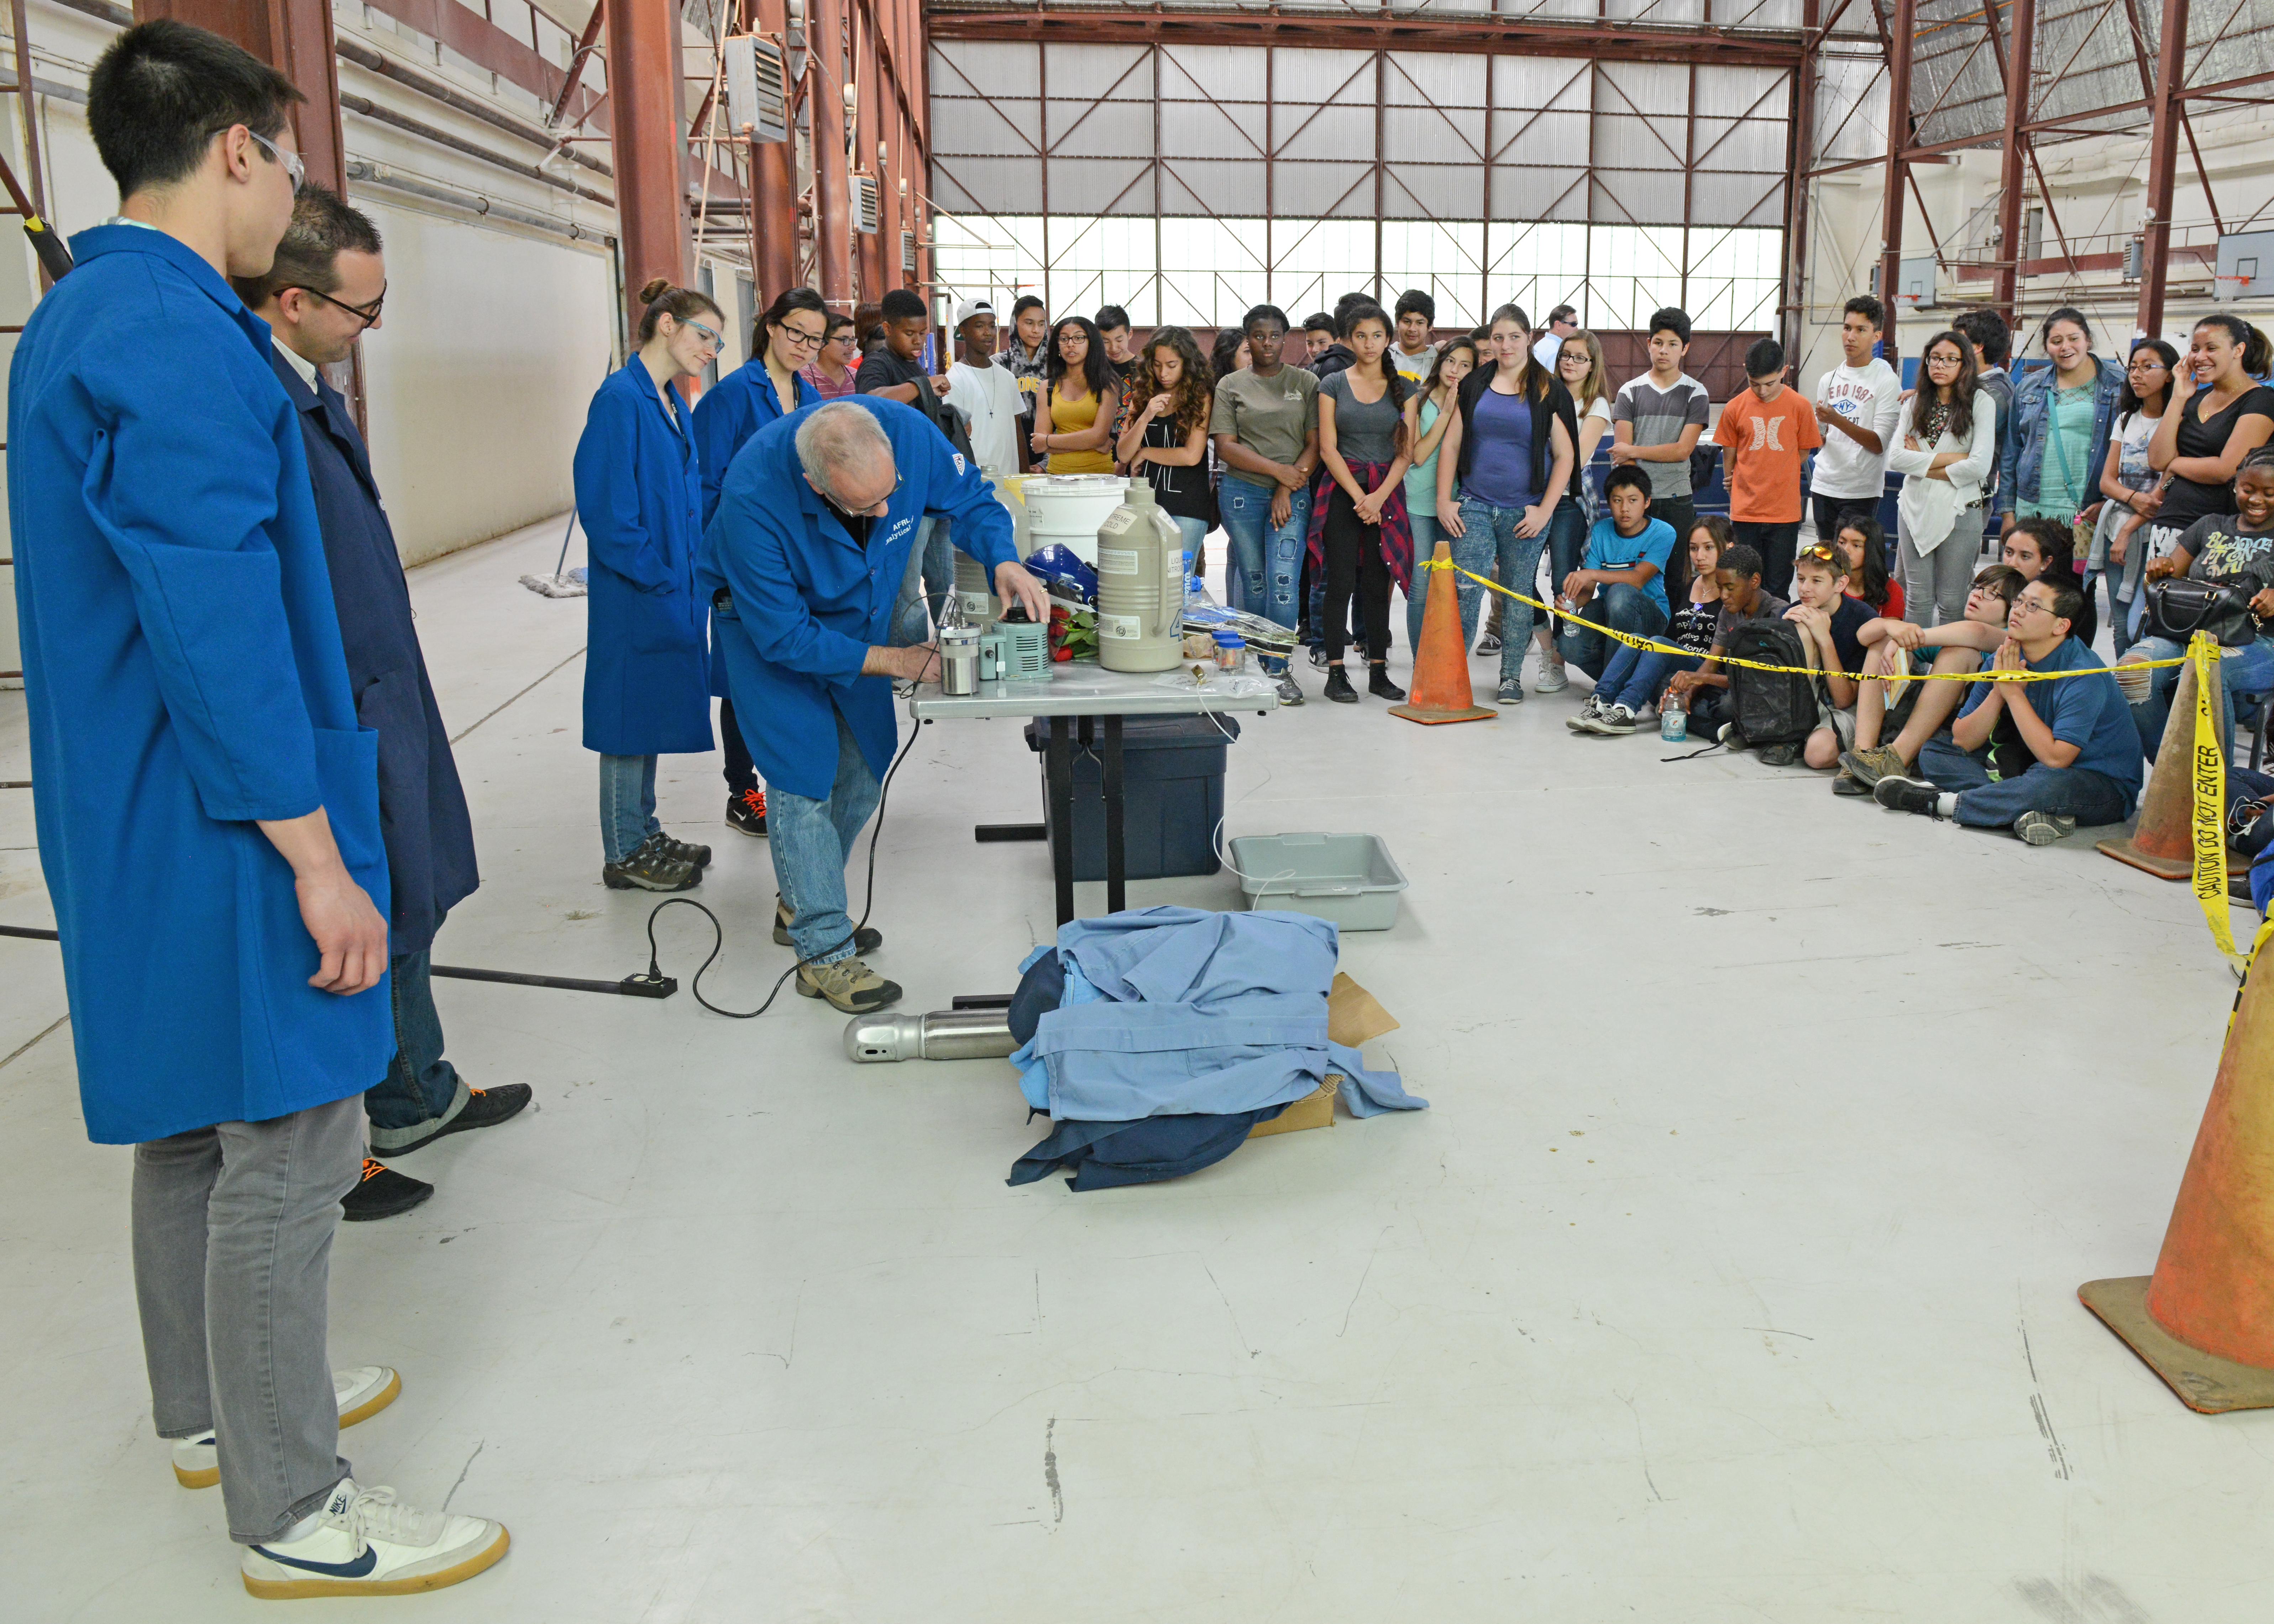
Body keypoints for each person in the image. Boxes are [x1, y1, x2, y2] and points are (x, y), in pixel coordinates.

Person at [13, 19, 508, 1597]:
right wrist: (314, 858)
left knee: (185, 1125)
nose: (289, 182)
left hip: (139, 806)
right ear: (239, 148)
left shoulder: (96, 311)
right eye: (287, 156)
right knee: (291, 1143)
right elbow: (212, 618)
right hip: (226, 815)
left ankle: (208, 1415)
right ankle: (293, 1503)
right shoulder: (171, 336)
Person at [235, 184, 530, 1220]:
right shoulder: (253, 401)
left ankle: (416, 1091)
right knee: (353, 922)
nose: (372, 330)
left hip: (379, 694)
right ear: (289, 300)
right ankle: (342, 1144)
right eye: (360, 311)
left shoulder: (307, 388)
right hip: (333, 713)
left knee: (410, 894)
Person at [703, 398, 1048, 1011]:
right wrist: (895, 659)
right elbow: (784, 636)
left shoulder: (909, 437)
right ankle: (823, 951)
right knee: (801, 773)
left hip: (855, 608)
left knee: (866, 761)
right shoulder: (752, 499)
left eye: (892, 495)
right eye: (867, 506)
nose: (887, 512)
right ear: (814, 484)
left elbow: (969, 500)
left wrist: (1002, 557)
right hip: (766, 626)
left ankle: (806, 898)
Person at [574, 276, 721, 892]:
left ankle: (644, 827)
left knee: (652, 713)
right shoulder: (620, 399)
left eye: (718, 341)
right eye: (704, 335)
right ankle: (623, 850)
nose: (711, 349)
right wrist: (658, 577)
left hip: (671, 588)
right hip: (638, 592)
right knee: (626, 720)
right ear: (666, 325)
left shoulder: (667, 400)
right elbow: (608, 513)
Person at [693, 285, 827, 840]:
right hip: (741, 560)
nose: (803, 346)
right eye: (795, 332)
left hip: (795, 559)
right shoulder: (731, 396)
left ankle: (792, 787)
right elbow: (705, 486)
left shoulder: (811, 398)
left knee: (790, 670)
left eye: (815, 339)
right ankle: (741, 792)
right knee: (741, 677)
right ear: (770, 326)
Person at [1872, 577, 2143, 843]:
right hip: (2031, 762)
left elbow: (2058, 759)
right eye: (2019, 601)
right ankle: (2024, 809)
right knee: (1936, 751)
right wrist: (2000, 690)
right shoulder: (2008, 654)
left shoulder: (2083, 674)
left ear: (2061, 625)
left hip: (2099, 783)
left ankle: (1941, 803)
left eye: (2034, 606)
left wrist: (2013, 693)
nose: (2019, 610)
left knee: (2047, 783)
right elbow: (1963, 739)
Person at [1437, 303, 1578, 705]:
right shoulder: (1474, 385)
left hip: (1525, 512)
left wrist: (1544, 510)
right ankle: (1454, 675)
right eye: (1498, 338)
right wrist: (1445, 500)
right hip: (1475, 505)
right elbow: (1451, 444)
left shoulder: (1547, 388)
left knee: (1518, 595)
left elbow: (1566, 456)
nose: (1506, 345)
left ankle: (1510, 678)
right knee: (1465, 591)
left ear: (1529, 338)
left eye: (1514, 337)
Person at [2126, 448, 2274, 761]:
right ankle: (2173, 770)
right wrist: (2157, 570)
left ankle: (2220, 785)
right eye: (2248, 489)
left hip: (2258, 641)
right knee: (2133, 671)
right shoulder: (2211, 525)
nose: (2257, 499)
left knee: (2206, 669)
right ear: (2235, 486)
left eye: (2269, 493)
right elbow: (2159, 588)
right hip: (2186, 633)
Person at [1835, 564, 2026, 796]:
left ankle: (1896, 759)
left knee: (1960, 653)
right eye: (1977, 587)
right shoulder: (1956, 634)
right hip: (1923, 724)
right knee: (1884, 642)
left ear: (2012, 610)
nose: (1976, 594)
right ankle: (1863, 753)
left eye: (1991, 593)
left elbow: (1977, 632)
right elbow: (1863, 635)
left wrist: (1906, 638)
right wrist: (1891, 628)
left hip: (1963, 736)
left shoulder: (2010, 641)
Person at [1212, 303, 1319, 705]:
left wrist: (1286, 486)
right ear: (1247, 339)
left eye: (1275, 335)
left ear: (1286, 338)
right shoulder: (1231, 385)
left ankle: (1278, 668)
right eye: (1258, 336)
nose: (1267, 343)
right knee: (1254, 579)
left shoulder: (1306, 382)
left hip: (1293, 493)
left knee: (1283, 583)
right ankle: (1253, 666)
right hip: (1241, 492)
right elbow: (1226, 447)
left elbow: (1314, 444)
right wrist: (1278, 473)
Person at [1310, 300, 1414, 703]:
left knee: (1376, 584)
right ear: (1347, 340)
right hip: (1344, 494)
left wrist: (1379, 498)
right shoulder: (1333, 384)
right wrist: (1360, 499)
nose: (1369, 344)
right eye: (1360, 336)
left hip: (1385, 492)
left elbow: (1407, 451)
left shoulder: (1405, 387)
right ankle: (1335, 672)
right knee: (1338, 582)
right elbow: (1328, 449)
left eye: (1376, 336)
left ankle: (1377, 671)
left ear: (1387, 339)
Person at [858, 287, 967, 642]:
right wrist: (921, 386)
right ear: (888, 329)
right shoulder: (879, 362)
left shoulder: (912, 363)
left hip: (931, 490)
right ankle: (910, 657)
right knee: (907, 581)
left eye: (923, 333)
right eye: (910, 333)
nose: (919, 340)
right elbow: (872, 401)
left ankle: (954, 642)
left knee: (943, 576)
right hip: (902, 492)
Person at [1517, 326, 1617, 684]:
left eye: (1580, 358)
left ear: (1592, 365)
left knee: (1564, 581)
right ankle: (1547, 649)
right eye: (1565, 356)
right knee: (1516, 577)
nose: (1571, 363)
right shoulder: (1541, 393)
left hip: (1568, 500)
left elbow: (1576, 458)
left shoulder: (1596, 405)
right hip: (1527, 495)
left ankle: (1559, 659)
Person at [1570, 517, 1730, 735]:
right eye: (1694, 549)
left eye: (1708, 548)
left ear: (1728, 547)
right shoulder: (1690, 586)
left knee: (1657, 644)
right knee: (1637, 638)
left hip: (1705, 670)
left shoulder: (1732, 593)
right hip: (1680, 666)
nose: (1699, 557)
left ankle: (1626, 710)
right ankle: (1601, 703)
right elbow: (1675, 635)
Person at [1885, 329, 1997, 628]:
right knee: (1917, 598)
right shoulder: (1914, 404)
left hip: (1961, 508)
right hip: (1914, 508)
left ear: (1965, 365)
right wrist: (1958, 458)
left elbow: (1980, 467)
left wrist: (1919, 463)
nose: (1940, 365)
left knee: (1952, 600)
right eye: (1935, 358)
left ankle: (1952, 671)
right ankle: (1917, 670)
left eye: (1950, 360)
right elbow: (1896, 459)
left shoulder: (1981, 403)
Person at [2145, 313, 2274, 569]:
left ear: (2239, 350)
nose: (2199, 357)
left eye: (2211, 348)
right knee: (2159, 604)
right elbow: (2158, 459)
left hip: (2220, 533)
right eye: (2195, 349)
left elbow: (2228, 469)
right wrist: (2179, 398)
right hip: (2171, 522)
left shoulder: (2261, 400)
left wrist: (2176, 465)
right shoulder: (2193, 399)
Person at [2000, 307, 2124, 553]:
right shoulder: (2028, 388)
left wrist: (2111, 501)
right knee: (2030, 587)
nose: (2065, 347)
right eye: (2056, 342)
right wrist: (2007, 513)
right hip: (2032, 508)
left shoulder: (2118, 383)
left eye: (2073, 339)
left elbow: (2129, 451)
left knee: (2074, 588)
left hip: (2087, 510)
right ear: (2047, 347)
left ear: (2088, 340)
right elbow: (2011, 453)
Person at [1712, 337, 1821, 604]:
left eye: (1770, 384)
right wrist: (1733, 478)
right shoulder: (1735, 407)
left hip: (1783, 513)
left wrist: (1778, 469)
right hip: (1745, 512)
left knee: (1777, 586)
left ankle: (1774, 640)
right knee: (1744, 583)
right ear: (1746, 370)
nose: (1762, 391)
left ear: (1784, 372)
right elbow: (1730, 448)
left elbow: (1804, 450)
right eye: (1754, 383)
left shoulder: (1800, 406)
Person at [1609, 306, 1710, 590]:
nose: (1664, 350)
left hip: (1678, 499)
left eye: (1673, 344)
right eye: (1658, 343)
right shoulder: (1629, 391)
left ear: (1685, 348)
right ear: (1649, 344)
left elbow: (1682, 451)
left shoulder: (1696, 392)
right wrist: (1636, 498)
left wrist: (1634, 451)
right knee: (1633, 578)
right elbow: (1621, 454)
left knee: (1677, 579)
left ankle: (1672, 637)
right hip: (1638, 502)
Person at [1557, 464, 1675, 696]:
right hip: (1610, 610)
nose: (1624, 509)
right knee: (1568, 646)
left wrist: (1589, 574)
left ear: (1647, 502)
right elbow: (1589, 589)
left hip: (1650, 615)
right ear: (1608, 503)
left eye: (1633, 500)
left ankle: (1608, 692)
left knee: (1619, 593)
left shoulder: (1663, 532)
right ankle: (1623, 682)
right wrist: (1571, 603)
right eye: (1617, 501)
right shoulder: (1601, 530)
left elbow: (1638, 580)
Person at [2091, 339, 2176, 652]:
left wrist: (2130, 528)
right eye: (2133, 367)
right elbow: (2107, 481)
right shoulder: (2126, 418)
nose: (2137, 374)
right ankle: (2124, 695)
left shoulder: (2178, 421)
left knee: (2141, 624)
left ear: (2170, 374)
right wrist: (2132, 501)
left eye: (2148, 366)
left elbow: (2164, 490)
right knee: (2120, 627)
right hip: (2118, 529)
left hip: (2155, 535)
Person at [1662, 543, 1787, 739]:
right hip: (1730, 687)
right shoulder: (1728, 612)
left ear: (1754, 581)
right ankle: (1730, 731)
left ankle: (1718, 725)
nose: (1724, 596)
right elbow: (1711, 664)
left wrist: (1701, 680)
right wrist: (1688, 694)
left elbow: (1758, 680)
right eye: (1720, 588)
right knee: (1668, 688)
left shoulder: (1777, 615)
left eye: (1730, 588)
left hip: (1761, 695)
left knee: (1730, 706)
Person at [1117, 324, 1215, 567]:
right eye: (1158, 365)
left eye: (1172, 366)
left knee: (1177, 581)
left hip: (1187, 505)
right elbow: (1123, 453)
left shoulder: (1200, 396)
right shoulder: (1143, 395)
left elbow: (1192, 455)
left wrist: (1147, 452)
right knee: (1147, 578)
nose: (1164, 373)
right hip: (1145, 503)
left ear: (1187, 364)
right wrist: (1145, 416)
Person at [1402, 336, 1477, 651]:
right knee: (1421, 585)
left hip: (1458, 503)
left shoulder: (1475, 401)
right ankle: (1422, 662)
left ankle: (1447, 657)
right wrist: (1446, 412)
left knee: (1453, 585)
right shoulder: (1417, 399)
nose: (1455, 370)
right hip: (1418, 502)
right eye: (1450, 361)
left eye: (1465, 365)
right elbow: (1417, 454)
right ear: (1439, 361)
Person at [1809, 295, 1902, 546]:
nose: (1851, 336)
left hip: (1859, 490)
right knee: (1825, 561)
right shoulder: (1828, 379)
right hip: (1824, 484)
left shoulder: (1885, 381)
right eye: (1847, 328)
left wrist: (1838, 420)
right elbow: (1822, 436)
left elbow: (1879, 443)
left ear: (1877, 336)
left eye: (1861, 330)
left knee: (1849, 562)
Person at [1781, 541, 1870, 769]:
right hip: (1798, 706)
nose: (1805, 589)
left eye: (1817, 581)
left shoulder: (1862, 619)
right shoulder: (1791, 612)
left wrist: (1824, 639)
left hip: (1844, 707)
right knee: (1801, 626)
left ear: (1841, 583)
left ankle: (1798, 738)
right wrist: (1782, 634)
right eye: (1801, 579)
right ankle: (1794, 733)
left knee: (1817, 756)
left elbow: (1844, 701)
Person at [944, 294, 1027, 476]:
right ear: (963, 331)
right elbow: (952, 438)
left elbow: (1018, 430)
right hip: (974, 482)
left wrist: (1024, 475)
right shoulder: (955, 379)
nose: (988, 332)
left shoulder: (1007, 377)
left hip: (1009, 480)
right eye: (979, 326)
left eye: (992, 326)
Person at [1032, 314, 1120, 475]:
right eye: (1064, 339)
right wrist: (1091, 443)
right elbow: (1039, 445)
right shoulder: (1047, 387)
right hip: (1057, 475)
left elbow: (1099, 436)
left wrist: (1048, 441)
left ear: (1091, 343)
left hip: (1099, 476)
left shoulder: (1108, 385)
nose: (1070, 345)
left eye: (1079, 338)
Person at [1953, 307, 2014, 510]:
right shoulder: (1963, 387)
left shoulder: (1996, 394)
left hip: (1969, 497)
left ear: (1977, 347)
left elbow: (1955, 442)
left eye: (1957, 343)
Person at [999, 293, 1050, 446]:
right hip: (1010, 444)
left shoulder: (1057, 365)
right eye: (1029, 323)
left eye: (1041, 324)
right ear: (1015, 323)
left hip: (1050, 448)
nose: (1036, 330)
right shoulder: (999, 364)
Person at [1833, 512, 1903, 620]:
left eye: (1856, 546)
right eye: (1842, 543)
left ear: (1872, 551)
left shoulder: (1891, 589)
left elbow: (1890, 633)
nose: (1845, 551)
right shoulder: (1826, 581)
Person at [801, 311, 859, 399]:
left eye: (852, 340)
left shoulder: (856, 376)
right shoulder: (804, 379)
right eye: (845, 340)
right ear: (823, 343)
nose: (853, 347)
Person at [1392, 288, 1439, 381]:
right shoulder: (1383, 357)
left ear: (1430, 326)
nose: (1412, 329)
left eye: (1420, 323)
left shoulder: (1439, 361)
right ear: (1397, 322)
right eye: (1407, 322)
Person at [1304, 311, 1353, 382]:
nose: (1315, 350)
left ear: (1337, 341)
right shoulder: (1309, 371)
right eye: (1310, 344)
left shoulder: (1336, 369)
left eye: (1322, 343)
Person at [1531, 303, 1579, 375]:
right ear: (1558, 325)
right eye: (1573, 324)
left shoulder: (1540, 344)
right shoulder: (1557, 350)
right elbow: (1554, 381)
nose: (1577, 329)